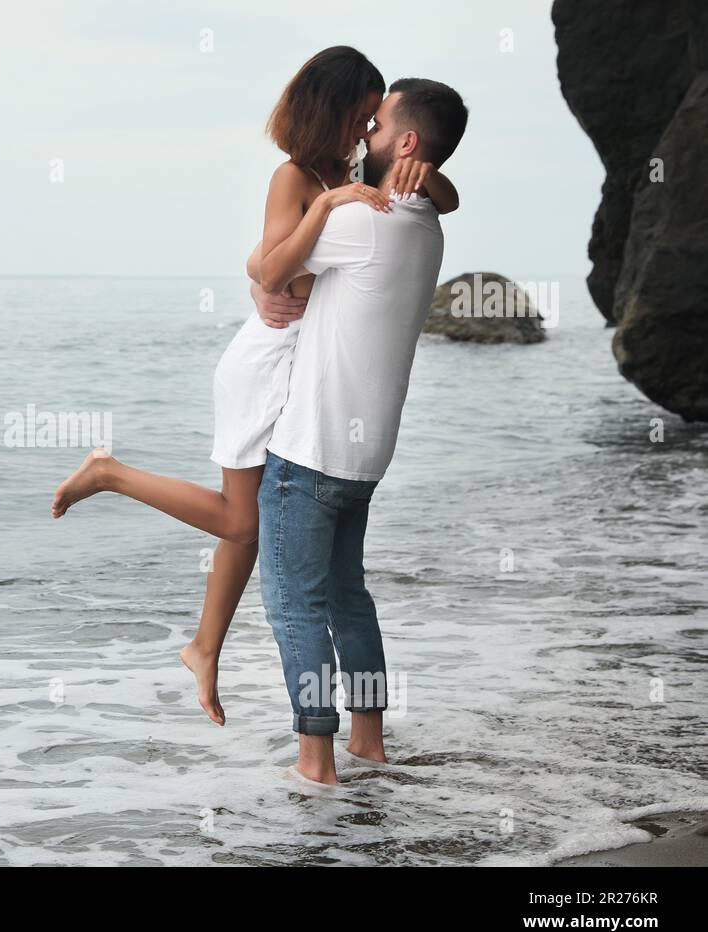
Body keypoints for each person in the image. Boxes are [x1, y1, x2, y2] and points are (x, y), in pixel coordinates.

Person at [50, 49, 458, 727]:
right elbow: (270, 268)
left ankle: (205, 648)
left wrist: (433, 179)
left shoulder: (358, 173)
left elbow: (435, 198)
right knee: (246, 524)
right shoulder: (297, 177)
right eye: (362, 117)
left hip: (304, 371)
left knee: (257, 532)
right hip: (266, 363)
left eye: (375, 123)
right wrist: (320, 213)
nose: (366, 133)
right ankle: (112, 474)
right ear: (340, 111)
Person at [254, 77, 469, 785]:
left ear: (405, 143)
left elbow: (271, 271)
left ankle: (315, 761)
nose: (361, 136)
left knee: (296, 608)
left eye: (374, 125)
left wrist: (321, 202)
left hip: (310, 452)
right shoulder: (425, 224)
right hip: (365, 457)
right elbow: (443, 196)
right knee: (348, 596)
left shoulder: (359, 221)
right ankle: (368, 741)